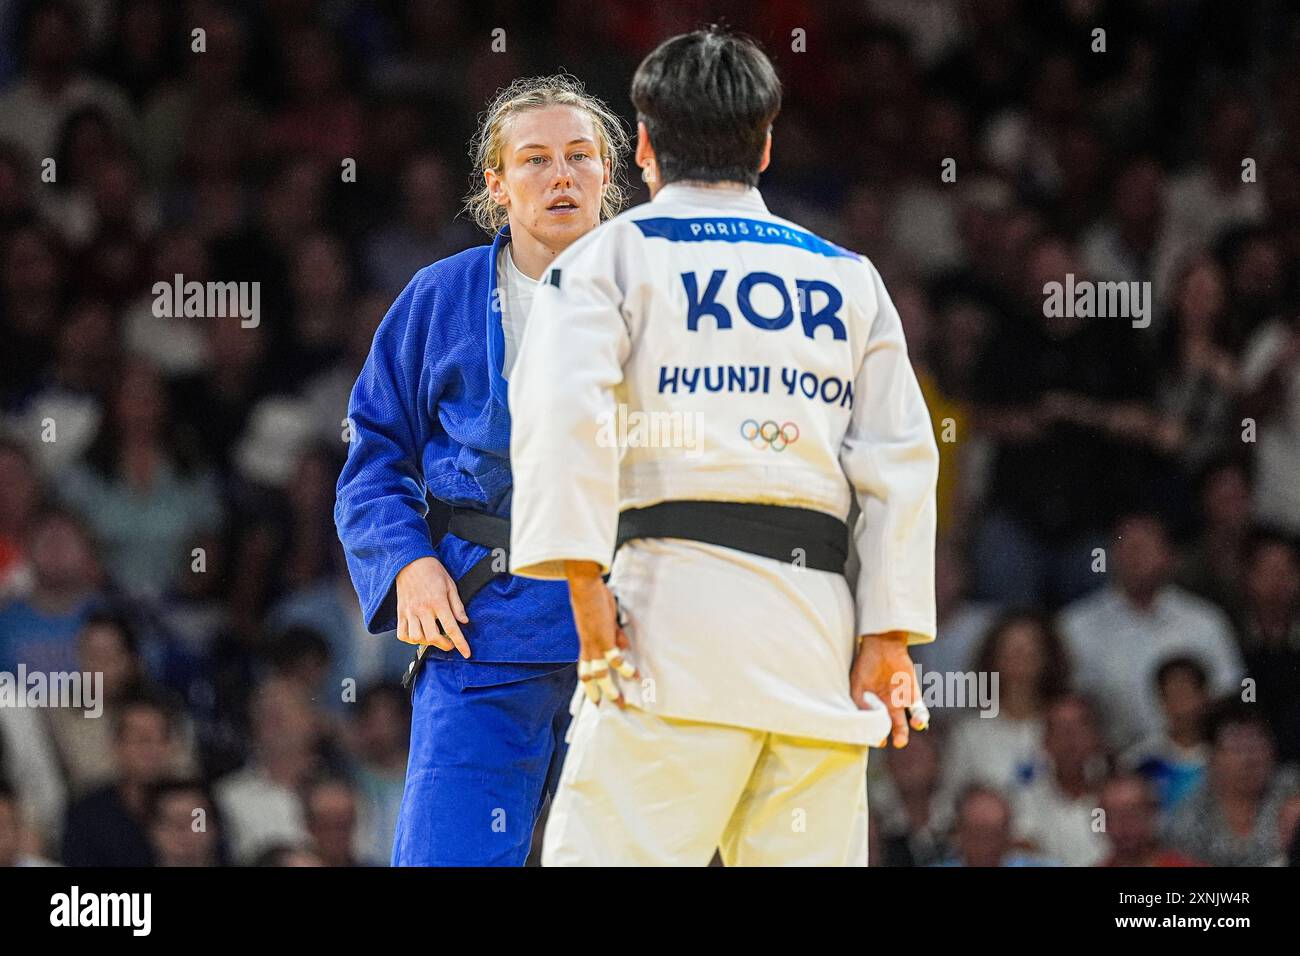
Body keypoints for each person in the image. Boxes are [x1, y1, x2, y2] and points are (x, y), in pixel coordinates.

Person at [508, 28, 938, 866]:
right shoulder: (846, 277)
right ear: (766, 144)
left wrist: (587, 599)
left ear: (641, 145)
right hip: (816, 640)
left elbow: (565, 418)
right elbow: (897, 460)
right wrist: (887, 637)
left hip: (666, 632)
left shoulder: (607, 259)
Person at [334, 75, 628, 866]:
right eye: (535, 160)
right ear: (496, 186)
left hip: (631, 629)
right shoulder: (443, 297)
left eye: (579, 157)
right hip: (482, 624)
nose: (561, 176)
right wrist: (406, 564)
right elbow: (374, 456)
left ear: (610, 174)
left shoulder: (658, 293)